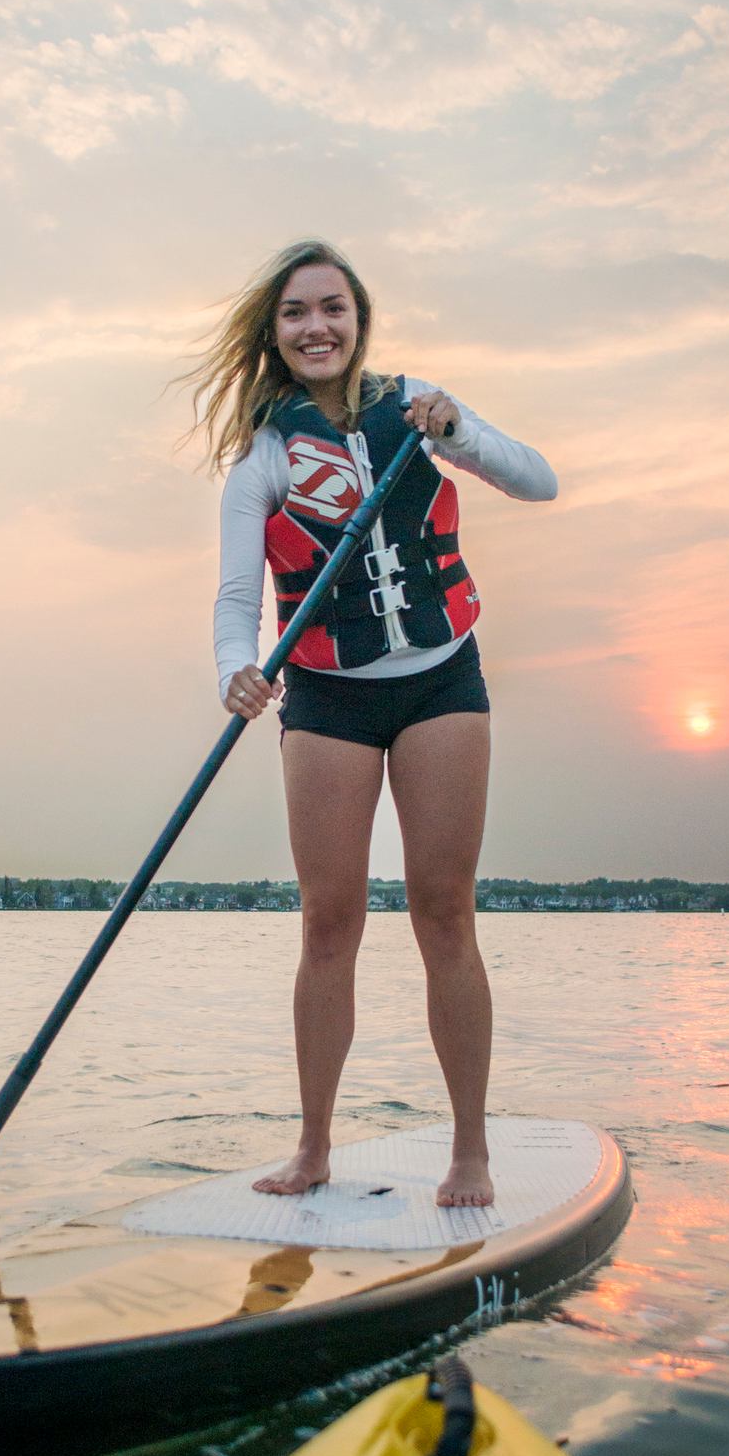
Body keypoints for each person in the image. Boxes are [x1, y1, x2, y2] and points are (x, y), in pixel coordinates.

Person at [187, 239, 557, 1209]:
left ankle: (469, 1151)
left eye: (333, 308)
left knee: (443, 911)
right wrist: (233, 670)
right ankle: (314, 1148)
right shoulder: (263, 456)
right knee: (327, 922)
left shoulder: (418, 404)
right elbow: (237, 598)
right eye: (296, 313)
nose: (317, 327)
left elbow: (540, 480)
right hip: (326, 697)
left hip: (440, 682)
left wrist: (458, 432)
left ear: (359, 320)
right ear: (274, 333)